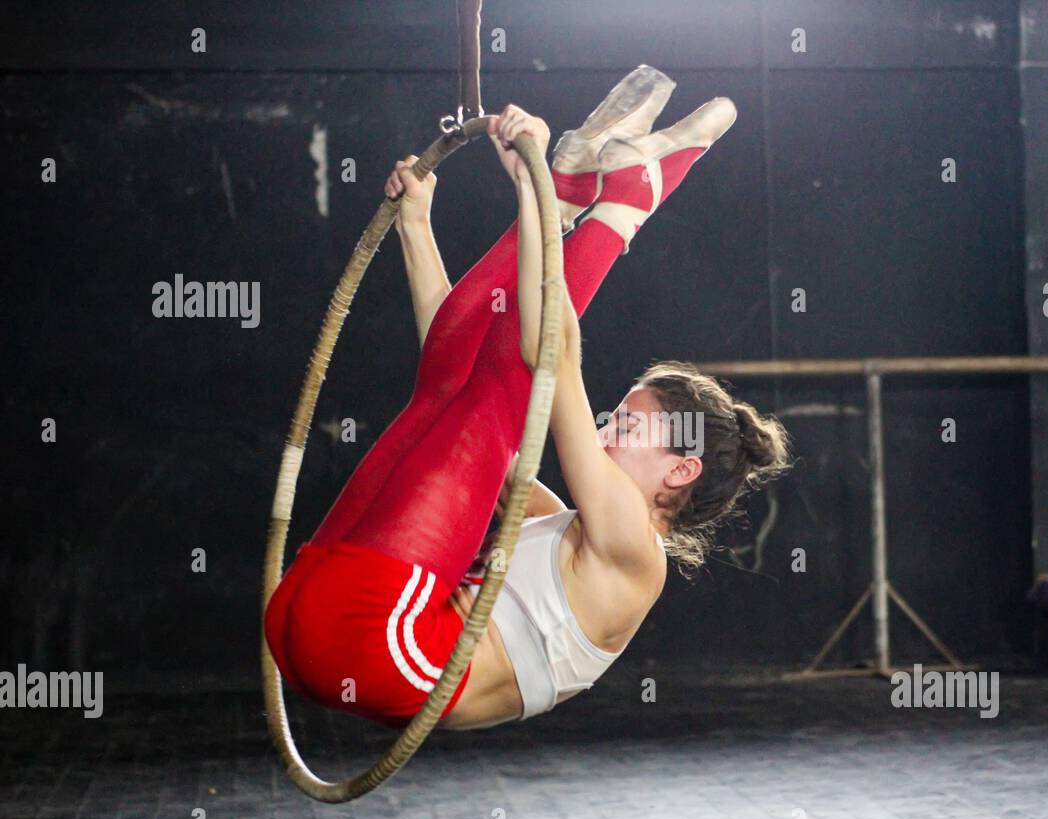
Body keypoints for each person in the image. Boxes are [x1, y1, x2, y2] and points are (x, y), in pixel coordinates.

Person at [264, 65, 791, 731]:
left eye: (628, 426)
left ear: (680, 469)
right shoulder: (558, 525)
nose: (604, 429)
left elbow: (554, 357)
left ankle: (612, 206)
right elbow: (458, 383)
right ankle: (593, 196)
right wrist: (416, 229)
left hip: (378, 650)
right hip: (319, 621)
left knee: (506, 396)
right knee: (467, 400)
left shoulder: (638, 556)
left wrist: (536, 203)